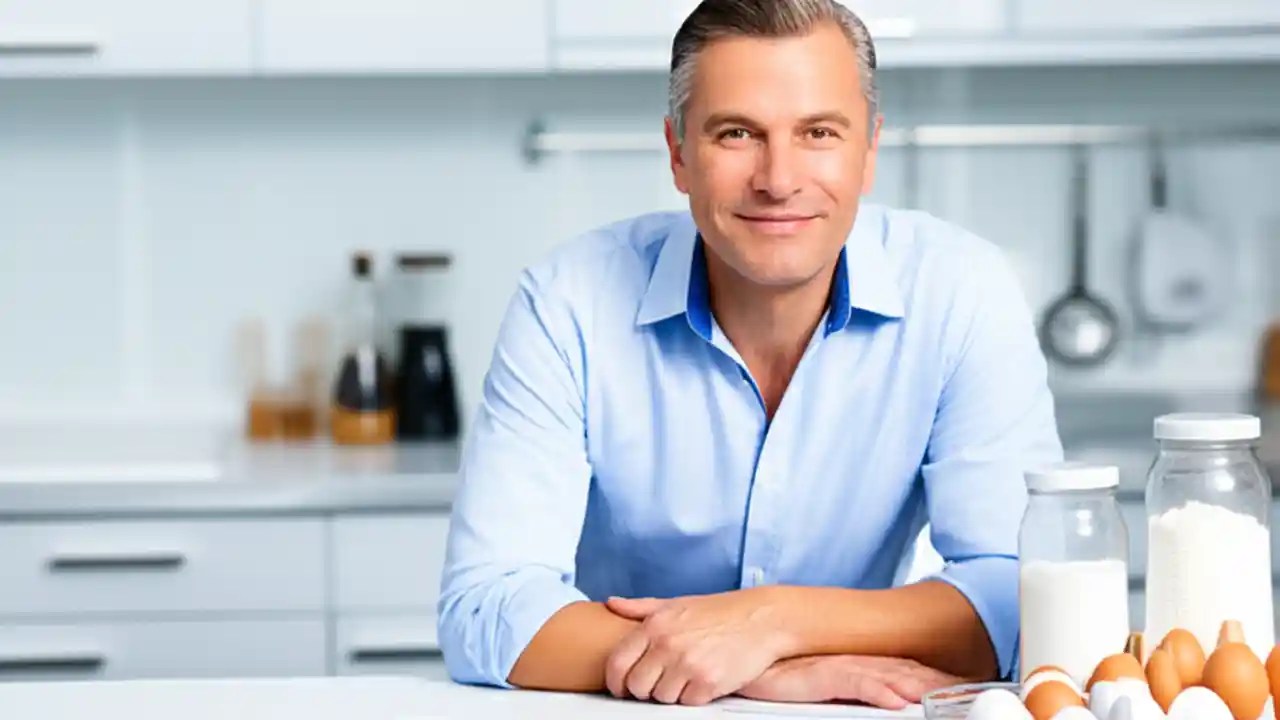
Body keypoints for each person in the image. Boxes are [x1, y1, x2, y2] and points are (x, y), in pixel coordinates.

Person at [438, 0, 1062, 709]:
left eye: (819, 133)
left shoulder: (962, 291)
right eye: (737, 134)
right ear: (678, 154)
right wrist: (753, 670)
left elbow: (1021, 594)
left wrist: (775, 621)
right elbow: (486, 608)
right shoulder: (568, 301)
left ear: (869, 151)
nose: (779, 178)